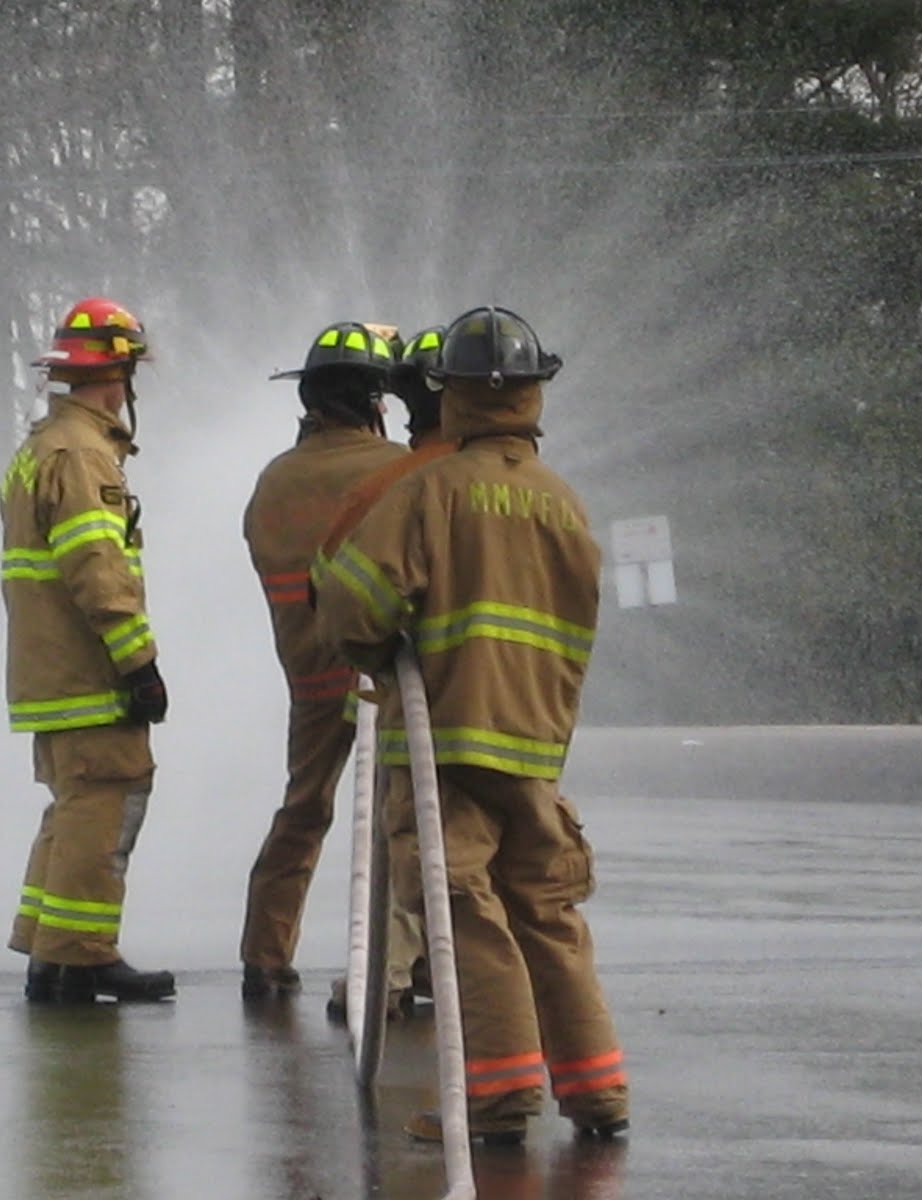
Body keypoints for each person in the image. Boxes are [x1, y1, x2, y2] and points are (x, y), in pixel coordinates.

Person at [314, 306, 629, 1144]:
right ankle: (599, 1091)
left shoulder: (431, 490)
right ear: (531, 393)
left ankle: (498, 1097)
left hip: (446, 739)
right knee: (548, 911)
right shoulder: (563, 503)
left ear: (448, 394)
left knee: (463, 912)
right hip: (536, 743)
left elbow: (353, 604)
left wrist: (381, 656)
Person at [0, 296, 175, 1005]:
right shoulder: (81, 454)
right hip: (88, 670)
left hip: (52, 670)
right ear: (117, 372)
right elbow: (98, 566)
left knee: (75, 806)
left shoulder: (44, 447)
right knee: (104, 801)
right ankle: (80, 955)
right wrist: (139, 662)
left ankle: (50, 952)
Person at [240, 320, 406, 999]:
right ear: (373, 399)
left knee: (304, 807)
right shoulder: (398, 470)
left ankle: (264, 953)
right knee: (405, 814)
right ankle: (403, 963)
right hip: (387, 673)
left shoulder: (273, 480)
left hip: (310, 670)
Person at [314, 325, 455, 1022]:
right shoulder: (535, 489)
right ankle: (471, 979)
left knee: (415, 840)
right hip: (520, 715)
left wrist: (370, 655)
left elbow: (333, 588)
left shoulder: (393, 487)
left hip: (417, 704)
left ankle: (390, 973)